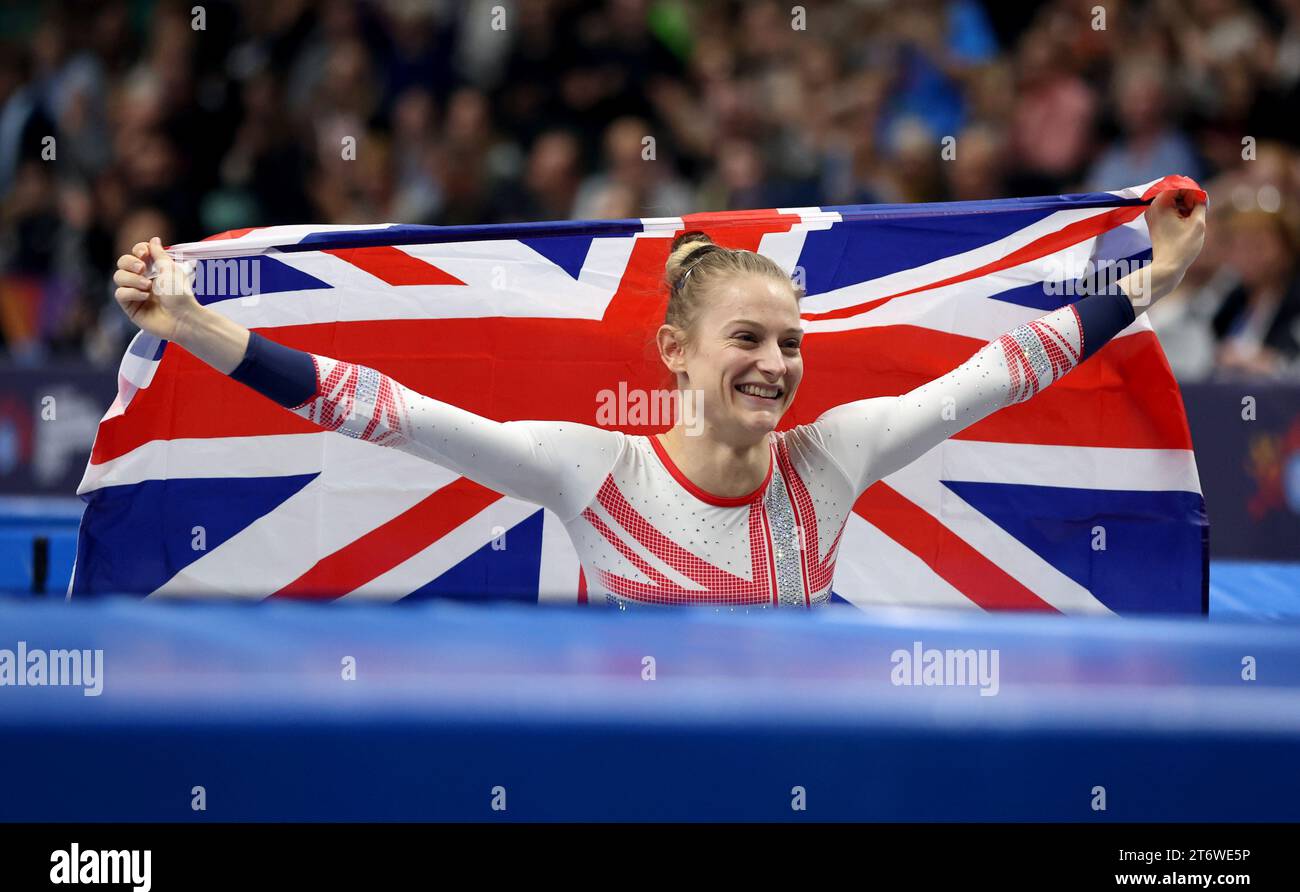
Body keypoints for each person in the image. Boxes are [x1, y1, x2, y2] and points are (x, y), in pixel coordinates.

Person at [111, 189, 1206, 608]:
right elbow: (379, 405)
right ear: (676, 353)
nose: (776, 362)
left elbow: (1006, 367)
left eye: (789, 341)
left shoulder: (835, 455)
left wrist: (1151, 275)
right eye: (747, 340)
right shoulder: (596, 469)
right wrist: (195, 327)